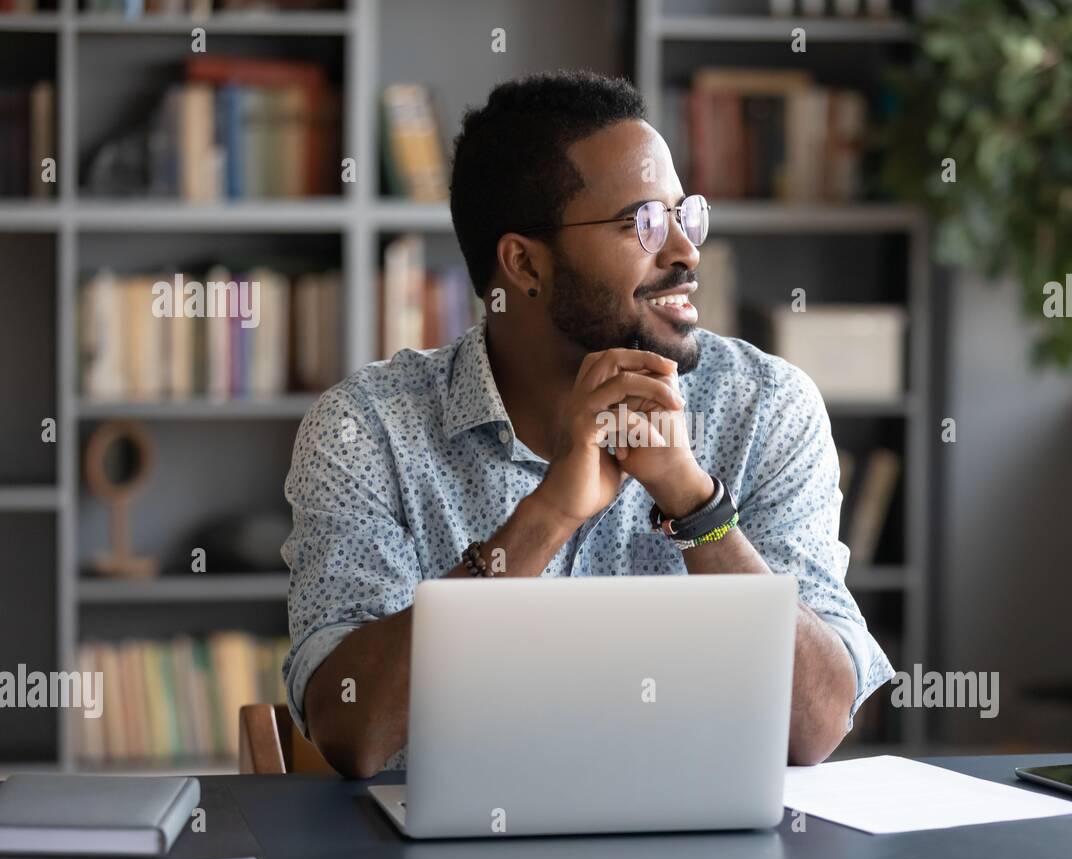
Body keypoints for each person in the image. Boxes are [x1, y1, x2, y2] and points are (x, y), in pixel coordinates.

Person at [281, 70, 894, 778]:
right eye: (643, 224)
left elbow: (815, 727)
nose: (685, 253)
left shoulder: (766, 407)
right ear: (524, 263)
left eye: (683, 216)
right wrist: (546, 516)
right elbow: (352, 731)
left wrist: (696, 506)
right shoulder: (368, 430)